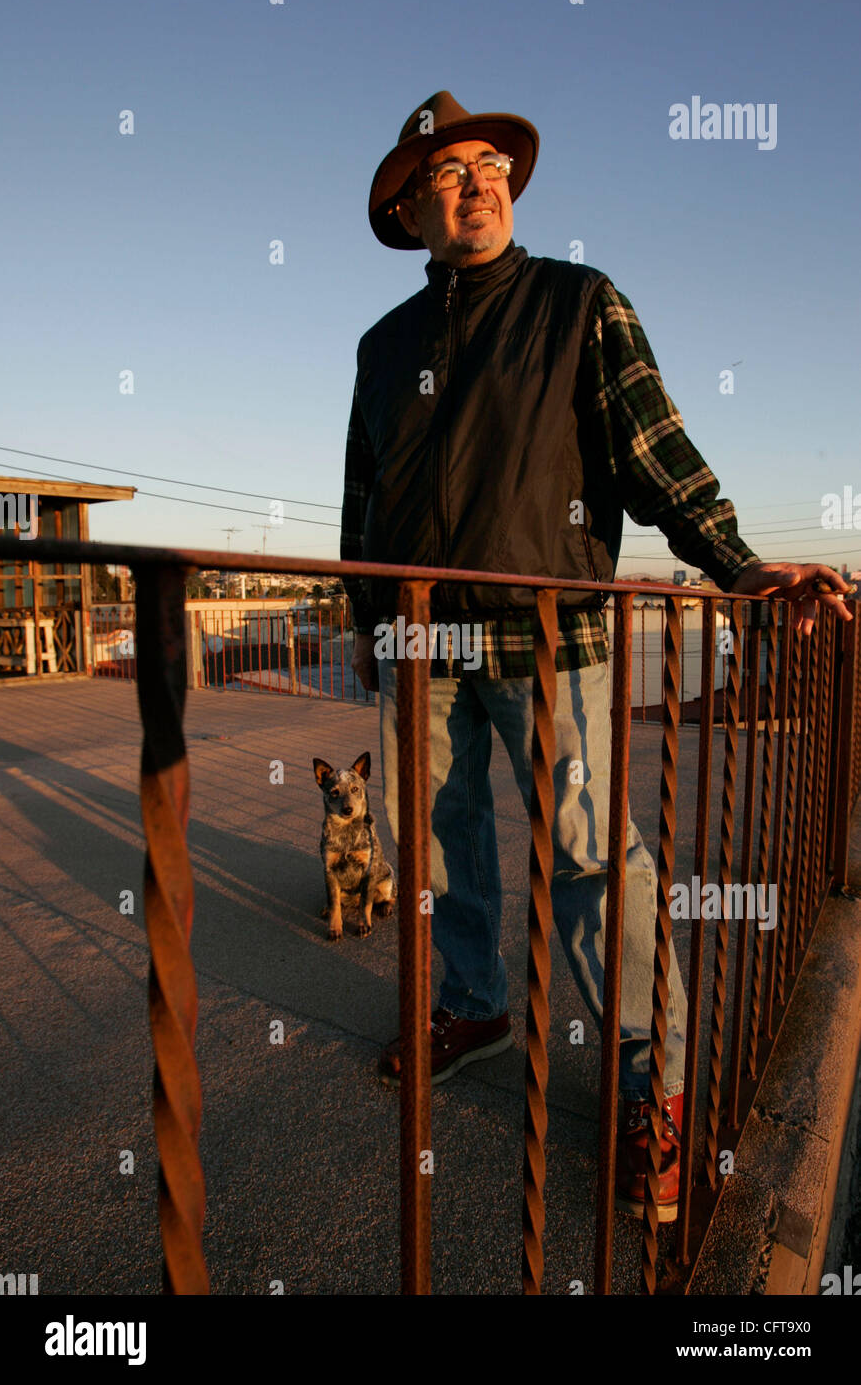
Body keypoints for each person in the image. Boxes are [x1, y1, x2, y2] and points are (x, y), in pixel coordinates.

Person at [339, 91, 853, 1220]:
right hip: (421, 637)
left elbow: (653, 450)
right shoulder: (383, 347)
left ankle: (650, 1083)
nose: (475, 182)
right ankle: (474, 1004)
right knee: (433, 846)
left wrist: (733, 562)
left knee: (587, 857)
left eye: (488, 164)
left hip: (552, 635)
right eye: (446, 172)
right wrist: (367, 619)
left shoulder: (577, 303)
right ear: (410, 210)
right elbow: (363, 492)